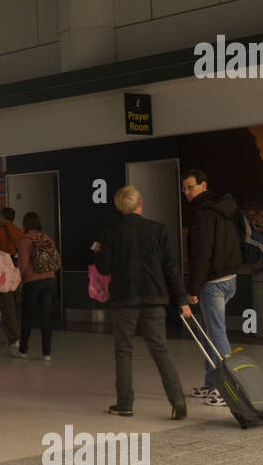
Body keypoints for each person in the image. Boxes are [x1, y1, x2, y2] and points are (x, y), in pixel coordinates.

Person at [92, 185, 192, 419]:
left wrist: (97, 251)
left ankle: (125, 404)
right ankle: (178, 402)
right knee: (160, 350)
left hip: (124, 300)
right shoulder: (158, 230)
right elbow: (171, 268)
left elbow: (104, 268)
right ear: (140, 203)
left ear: (119, 207)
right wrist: (182, 300)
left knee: (124, 351)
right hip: (154, 298)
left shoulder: (111, 231)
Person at [182, 169, 242, 408]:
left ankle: (228, 388)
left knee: (216, 333)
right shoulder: (223, 207)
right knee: (210, 331)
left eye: (190, 187)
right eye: (184, 188)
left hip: (213, 283)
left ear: (203, 185)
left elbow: (202, 253)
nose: (186, 192)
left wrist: (192, 288)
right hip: (229, 277)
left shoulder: (202, 213)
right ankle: (210, 384)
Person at [16, 212, 58, 360]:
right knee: (46, 316)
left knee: (27, 316)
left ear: (25, 224)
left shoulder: (24, 240)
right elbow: (55, 259)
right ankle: (47, 353)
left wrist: (19, 281)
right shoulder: (47, 238)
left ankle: (23, 350)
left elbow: (23, 264)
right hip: (50, 280)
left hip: (33, 281)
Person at [0, 208, 24, 355]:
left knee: (6, 304)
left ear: (3, 217)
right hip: (17, 269)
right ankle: (18, 334)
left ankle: (13, 339)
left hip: (4, 270)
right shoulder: (19, 231)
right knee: (16, 301)